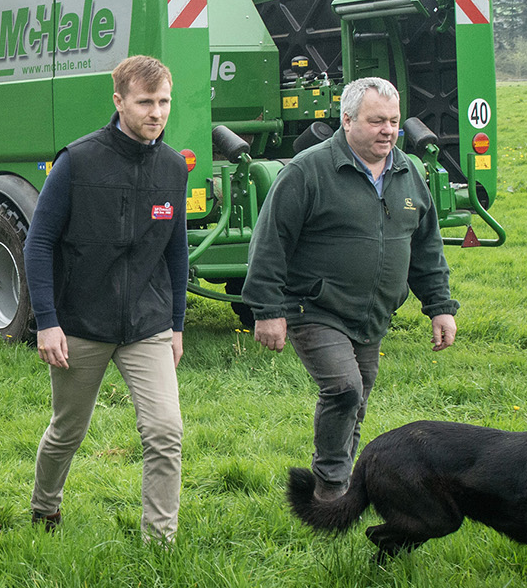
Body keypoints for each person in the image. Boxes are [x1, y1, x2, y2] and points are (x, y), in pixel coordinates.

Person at [242, 75, 459, 502]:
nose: (389, 131)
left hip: (373, 312)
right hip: (315, 307)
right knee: (344, 389)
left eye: (394, 121)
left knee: (357, 400)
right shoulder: (309, 170)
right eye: (377, 121)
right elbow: (270, 242)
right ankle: (330, 487)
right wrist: (267, 310)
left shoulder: (408, 173)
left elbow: (426, 246)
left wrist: (439, 305)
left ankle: (340, 487)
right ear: (347, 120)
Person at [23, 55, 189, 542]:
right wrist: (47, 321)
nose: (156, 113)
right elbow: (38, 242)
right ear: (118, 102)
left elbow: (176, 251)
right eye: (145, 102)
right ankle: (44, 506)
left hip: (148, 323)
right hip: (80, 324)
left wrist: (176, 323)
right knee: (67, 431)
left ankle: (160, 542)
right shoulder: (78, 161)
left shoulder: (173, 167)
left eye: (164, 102)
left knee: (165, 433)